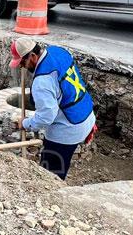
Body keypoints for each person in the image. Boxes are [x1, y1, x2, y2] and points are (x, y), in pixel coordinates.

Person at [9, 37, 97, 180]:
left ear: (33, 56)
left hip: (67, 130)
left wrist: (24, 123)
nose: (22, 67)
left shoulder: (42, 82)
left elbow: (46, 118)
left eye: (22, 63)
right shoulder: (58, 51)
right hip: (85, 115)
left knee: (50, 176)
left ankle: (54, 192)